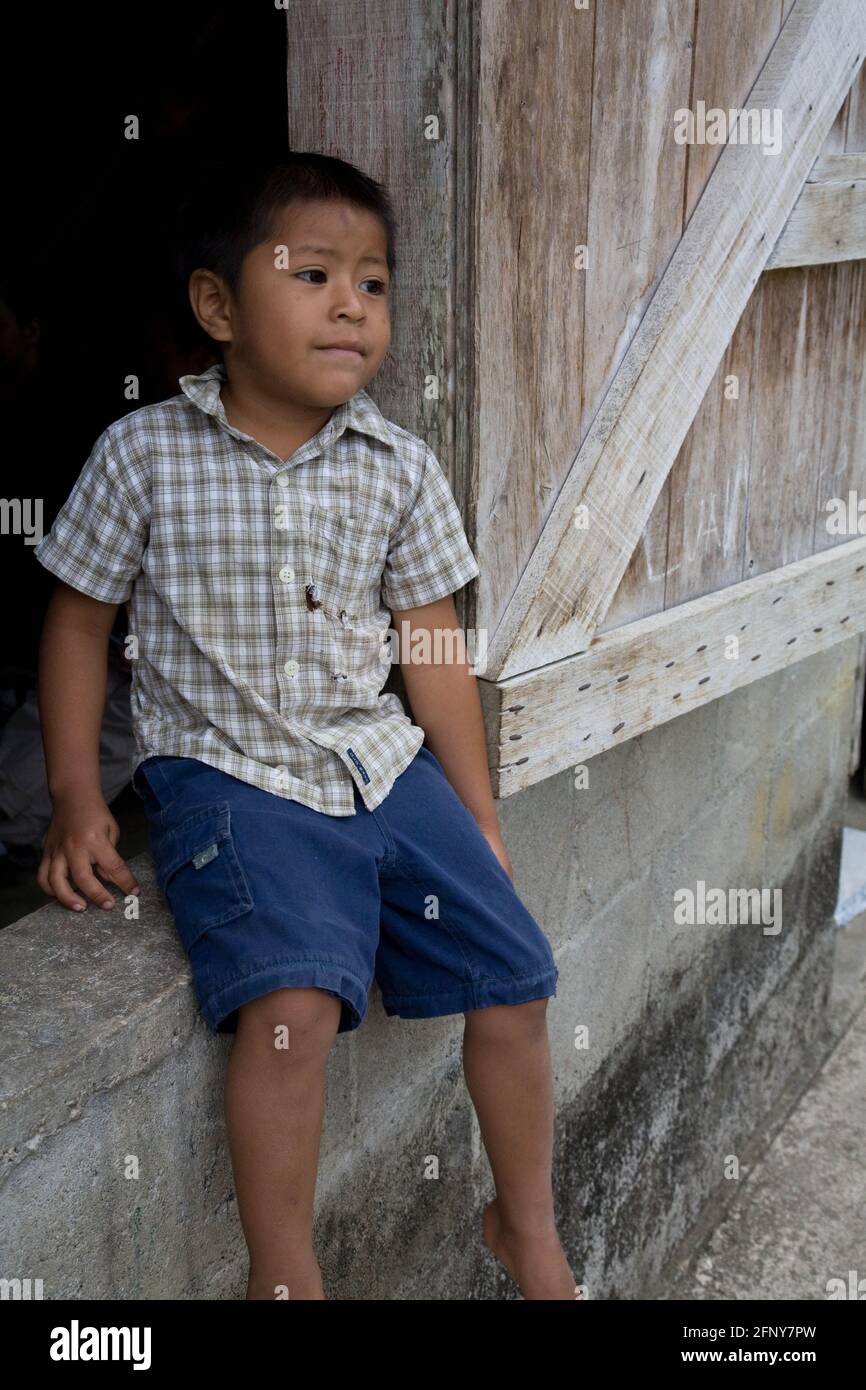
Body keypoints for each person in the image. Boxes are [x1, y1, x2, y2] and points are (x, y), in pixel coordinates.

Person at [33, 152, 578, 1301]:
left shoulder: (397, 466)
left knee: (516, 974)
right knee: (288, 1008)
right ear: (218, 306)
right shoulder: (144, 456)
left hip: (378, 761)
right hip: (228, 779)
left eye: (372, 284)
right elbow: (79, 624)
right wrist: (78, 795)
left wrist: (473, 812)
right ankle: (284, 1279)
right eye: (315, 274)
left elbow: (431, 649)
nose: (350, 306)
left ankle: (524, 1226)